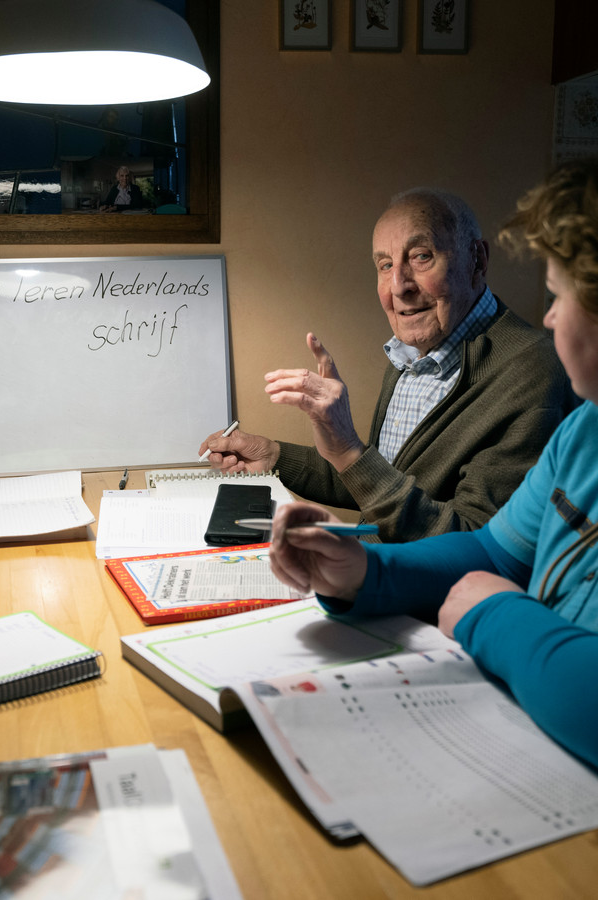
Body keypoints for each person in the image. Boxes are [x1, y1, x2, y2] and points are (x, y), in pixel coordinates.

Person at [268, 158, 598, 769]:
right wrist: (364, 572)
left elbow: (484, 571)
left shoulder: (534, 372)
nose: (548, 316)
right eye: (386, 265)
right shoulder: (586, 429)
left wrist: (494, 614)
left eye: (558, 296)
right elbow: (495, 552)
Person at [201, 188, 576, 542]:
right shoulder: (411, 353)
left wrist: (348, 448)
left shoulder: (532, 372)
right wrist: (274, 456)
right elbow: (375, 482)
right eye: (384, 265)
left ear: (477, 260)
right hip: (373, 573)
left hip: (425, 603)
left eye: (421, 256)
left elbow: (474, 542)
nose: (399, 285)